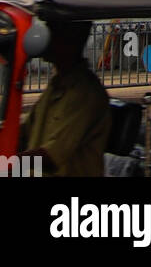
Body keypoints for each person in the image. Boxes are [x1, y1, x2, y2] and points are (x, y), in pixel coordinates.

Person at [23, 20, 112, 177]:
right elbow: (25, 132)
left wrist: (7, 163)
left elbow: (51, 157)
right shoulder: (56, 85)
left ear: (71, 39)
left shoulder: (85, 92)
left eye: (53, 32)